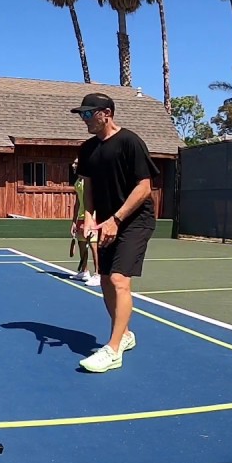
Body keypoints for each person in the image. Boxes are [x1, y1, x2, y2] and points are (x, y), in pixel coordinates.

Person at [70, 93, 158, 374]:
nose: (84, 120)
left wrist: (116, 219)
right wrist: (88, 218)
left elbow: (144, 187)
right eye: (81, 115)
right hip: (106, 221)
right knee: (106, 279)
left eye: (88, 114)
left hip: (135, 220)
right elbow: (89, 189)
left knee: (120, 279)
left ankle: (113, 349)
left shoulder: (130, 142)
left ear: (106, 113)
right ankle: (126, 334)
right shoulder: (86, 150)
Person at [69, 158, 101, 287]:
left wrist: (93, 219)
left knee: (93, 246)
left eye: (77, 163)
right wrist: (74, 221)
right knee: (82, 244)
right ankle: (84, 271)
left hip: (92, 218)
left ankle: (98, 274)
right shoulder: (77, 182)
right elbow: (77, 203)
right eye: (74, 163)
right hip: (81, 218)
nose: (73, 165)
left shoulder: (92, 181)